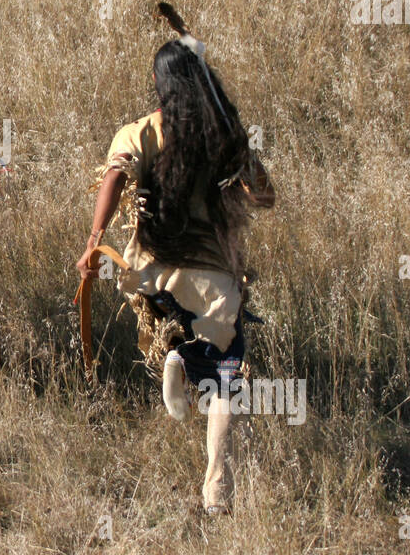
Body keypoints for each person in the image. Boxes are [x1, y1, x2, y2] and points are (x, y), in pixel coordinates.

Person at [76, 28, 275, 514]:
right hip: (214, 282)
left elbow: (115, 176)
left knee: (180, 332)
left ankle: (178, 358)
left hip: (153, 273)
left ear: (156, 81)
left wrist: (95, 239)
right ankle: (217, 489)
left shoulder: (139, 131)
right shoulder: (223, 136)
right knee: (227, 377)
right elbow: (265, 196)